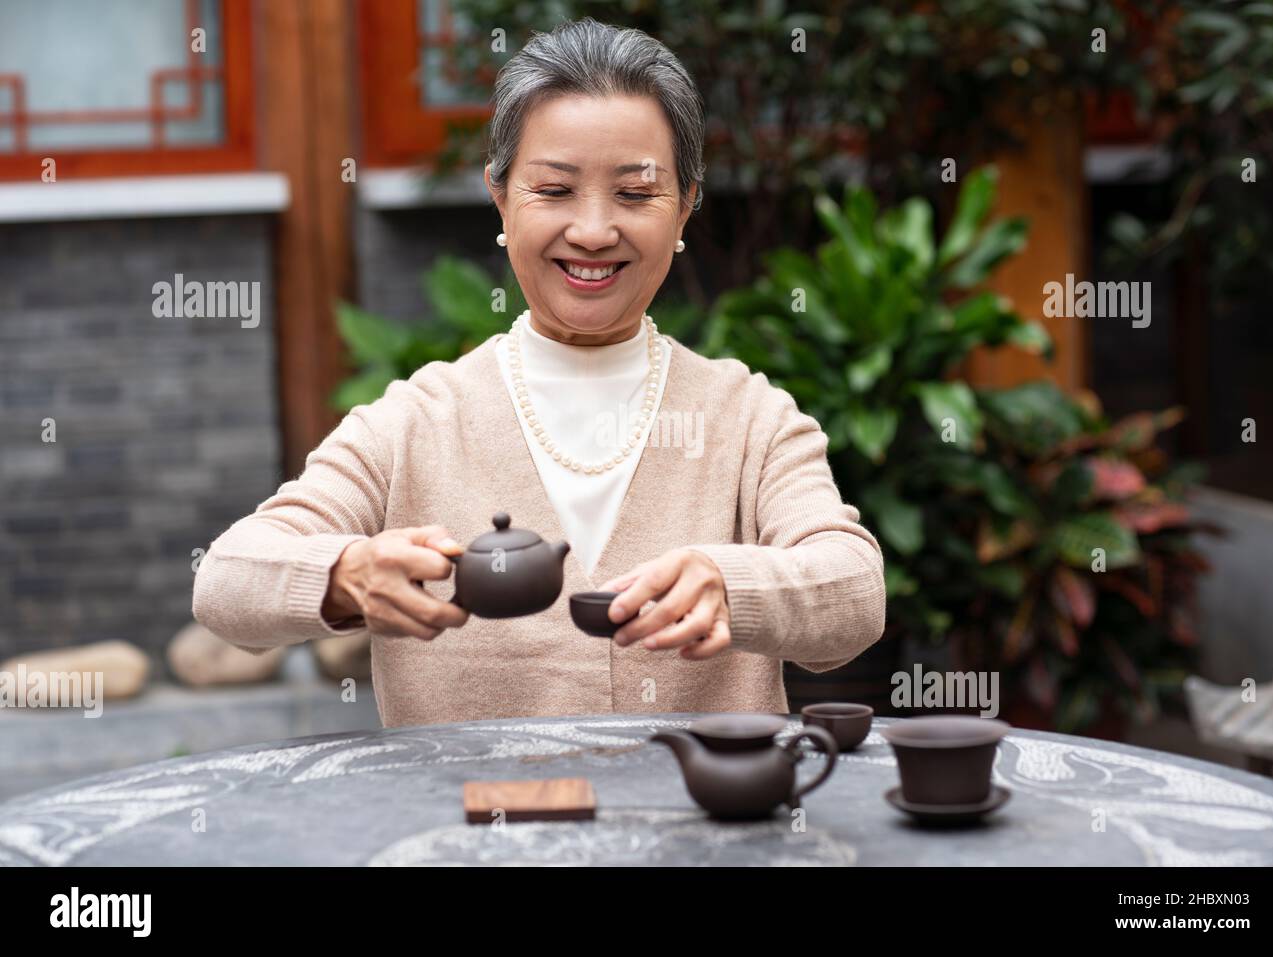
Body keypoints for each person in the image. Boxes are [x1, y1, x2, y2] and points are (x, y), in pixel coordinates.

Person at [192, 18, 886, 727]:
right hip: (470, 830)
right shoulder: (416, 420)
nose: (591, 230)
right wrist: (346, 575)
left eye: (636, 193)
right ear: (500, 197)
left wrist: (734, 585)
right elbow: (227, 580)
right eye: (554, 190)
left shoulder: (750, 418)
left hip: (700, 830)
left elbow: (855, 594)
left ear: (685, 206)